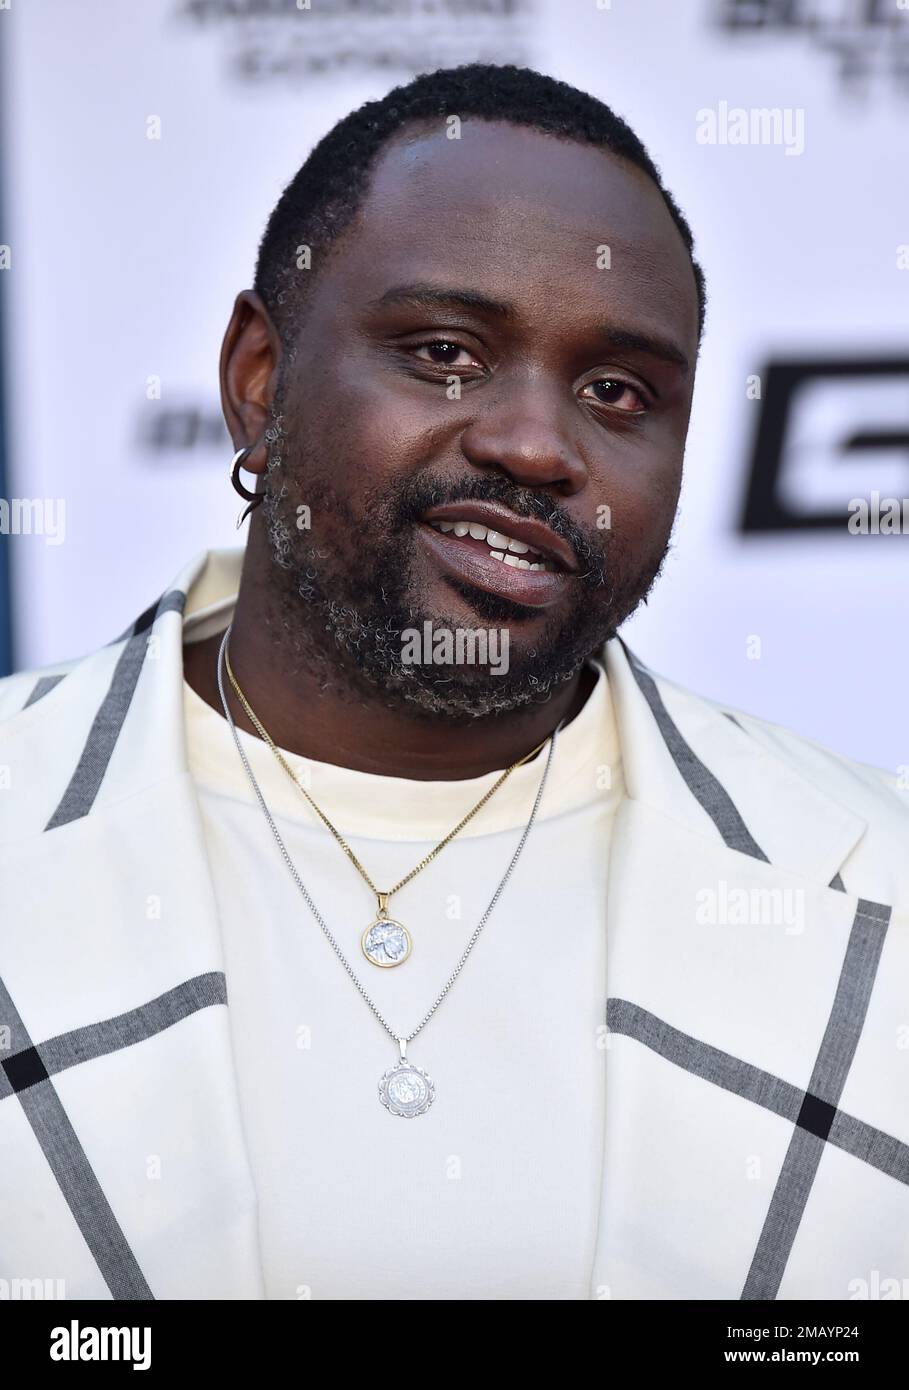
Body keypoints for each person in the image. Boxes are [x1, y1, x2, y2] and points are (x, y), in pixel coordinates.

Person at [1, 63, 906, 1303]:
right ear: (260, 381)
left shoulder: (883, 882)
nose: (535, 444)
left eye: (616, 391)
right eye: (444, 353)